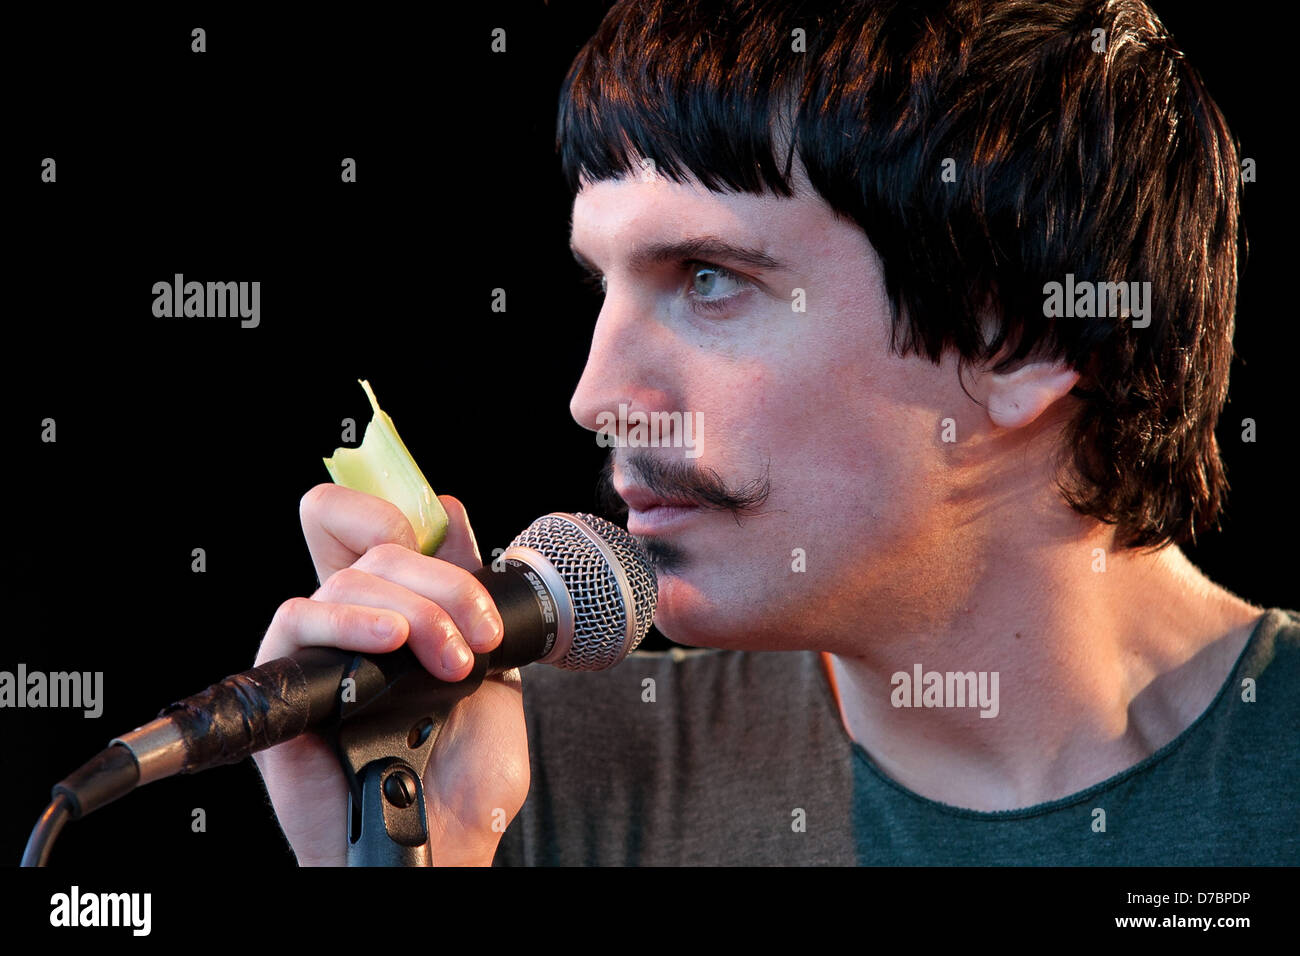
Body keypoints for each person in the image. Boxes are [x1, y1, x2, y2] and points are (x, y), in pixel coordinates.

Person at [253, 0, 1299, 865]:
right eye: (601, 285)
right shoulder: (510, 768)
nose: (594, 393)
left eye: (708, 280)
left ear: (1020, 336)